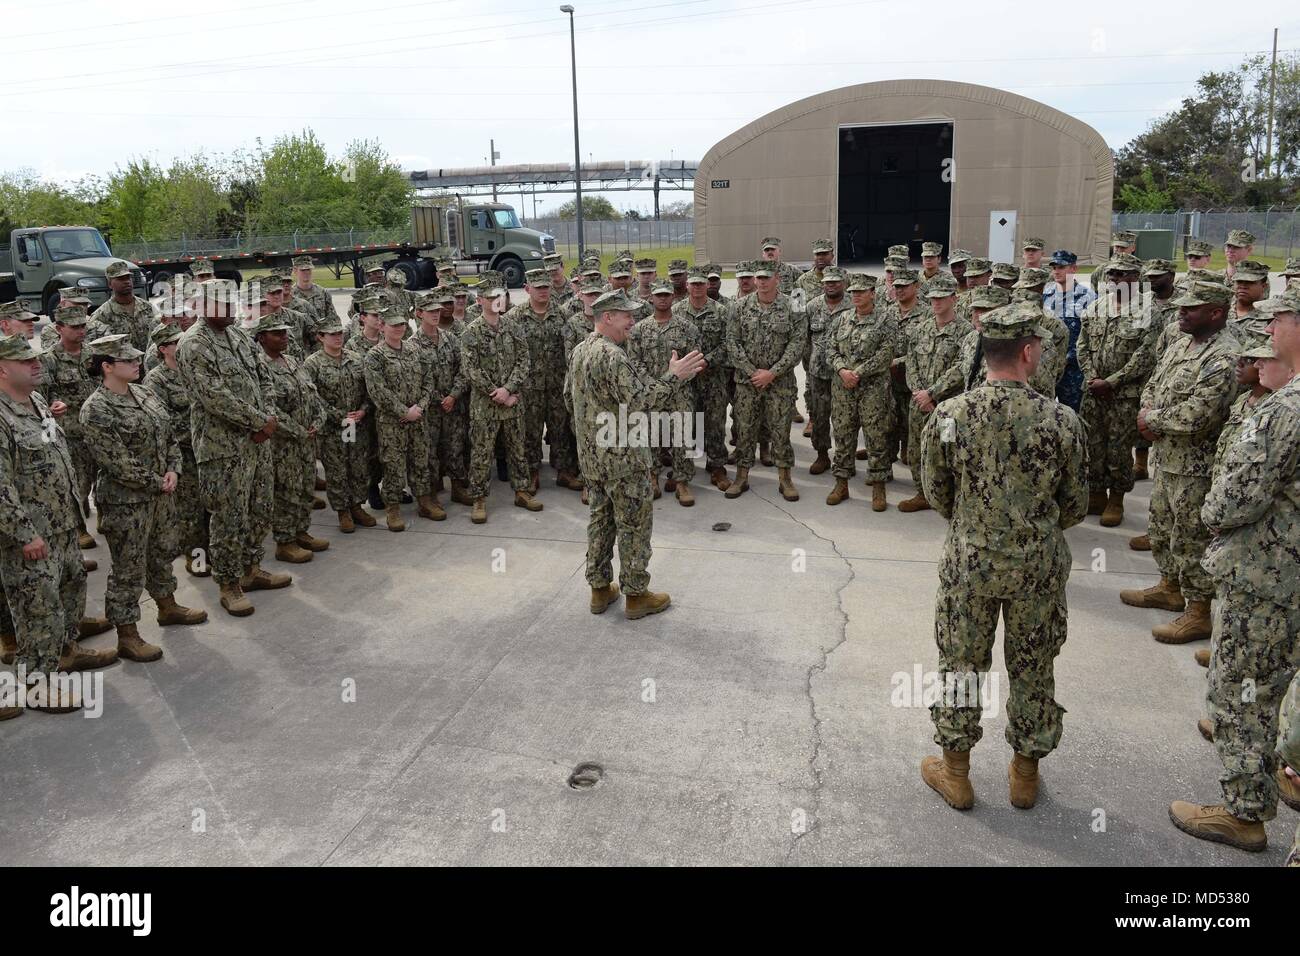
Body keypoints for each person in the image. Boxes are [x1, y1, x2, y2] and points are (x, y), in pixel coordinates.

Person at [917, 304, 1088, 811]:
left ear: (983, 352)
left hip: (970, 564)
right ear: (1029, 352)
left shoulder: (949, 416)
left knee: (960, 665)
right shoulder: (1062, 421)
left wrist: (975, 523)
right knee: (1033, 665)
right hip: (1036, 567)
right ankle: (1025, 776)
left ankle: (956, 773)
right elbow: (1076, 505)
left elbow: (936, 491)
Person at [1169, 291, 1300, 852]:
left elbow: (1236, 497)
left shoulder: (1285, 409)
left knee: (1241, 689)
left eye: (1279, 319)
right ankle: (1276, 765)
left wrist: (1210, 516)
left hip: (1269, 576)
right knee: (1277, 685)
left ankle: (1244, 812)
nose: (1269, 328)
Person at [566, 289, 705, 619]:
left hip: (593, 456)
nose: (633, 320)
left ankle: (600, 590)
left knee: (600, 521)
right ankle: (636, 595)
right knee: (633, 526)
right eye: (626, 315)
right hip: (623, 458)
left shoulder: (580, 351)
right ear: (608, 317)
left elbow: (569, 401)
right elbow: (642, 402)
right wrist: (675, 376)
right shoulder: (613, 357)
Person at [1120, 280, 1241, 644]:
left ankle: (1199, 611)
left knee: (1191, 537)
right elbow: (1155, 383)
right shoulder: (1182, 343)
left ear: (1216, 312)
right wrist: (1148, 412)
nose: (1182, 312)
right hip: (1168, 460)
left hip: (1197, 467)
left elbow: (1199, 414)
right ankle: (1170, 587)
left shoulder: (1224, 356)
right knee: (1163, 528)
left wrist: (1152, 421)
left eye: (1192, 308)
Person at [80, 333, 208, 663]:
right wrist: (157, 481)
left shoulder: (143, 392)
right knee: (128, 568)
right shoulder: (96, 409)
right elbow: (116, 461)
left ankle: (167, 606)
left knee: (162, 552)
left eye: (138, 359)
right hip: (126, 502)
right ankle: (128, 634)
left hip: (160, 493)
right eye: (129, 360)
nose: (138, 363)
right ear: (107, 367)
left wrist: (173, 469)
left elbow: (168, 435)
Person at [0, 333, 104, 713]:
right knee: (38, 610)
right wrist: (25, 534)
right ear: (2, 368)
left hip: (61, 523)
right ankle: (35, 685)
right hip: (30, 534)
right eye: (24, 361)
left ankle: (64, 655)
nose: (35, 364)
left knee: (70, 589)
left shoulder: (36, 400)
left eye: (35, 359)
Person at [176, 280, 291, 617]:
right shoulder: (193, 345)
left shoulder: (239, 335)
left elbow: (264, 375)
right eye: (220, 304)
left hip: (258, 442)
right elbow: (214, 398)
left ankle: (252, 568)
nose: (228, 310)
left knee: (260, 508)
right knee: (229, 517)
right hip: (222, 448)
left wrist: (267, 416)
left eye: (230, 303)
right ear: (202, 305)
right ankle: (229, 583)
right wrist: (260, 422)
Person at [1076, 255, 1161, 527]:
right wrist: (1092, 377)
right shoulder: (1096, 307)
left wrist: (1112, 382)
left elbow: (1145, 355)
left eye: (1122, 275)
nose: (1114, 279)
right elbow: (1083, 344)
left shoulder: (1147, 311)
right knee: (1093, 445)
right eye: (1112, 274)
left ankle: (1116, 499)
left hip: (1124, 395)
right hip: (1093, 391)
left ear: (1136, 278)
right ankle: (1097, 494)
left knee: (1118, 448)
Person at [458, 275, 538, 523]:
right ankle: (479, 498)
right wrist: (498, 393)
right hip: (486, 406)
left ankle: (522, 491)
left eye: (498, 297)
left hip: (512, 402)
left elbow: (524, 360)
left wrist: (510, 389)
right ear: (480, 300)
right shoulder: (471, 332)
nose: (496, 301)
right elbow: (471, 370)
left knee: (518, 449)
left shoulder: (513, 327)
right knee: (481, 453)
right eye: (490, 297)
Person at [725, 259, 806, 501]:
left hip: (779, 383)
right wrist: (752, 372)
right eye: (758, 278)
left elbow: (798, 342)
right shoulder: (739, 307)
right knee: (745, 429)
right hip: (747, 383)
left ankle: (785, 479)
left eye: (765, 278)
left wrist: (772, 372)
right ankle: (741, 476)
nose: (760, 282)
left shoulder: (794, 304)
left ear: (777, 279)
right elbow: (732, 342)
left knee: (781, 431)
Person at [253, 313, 329, 559]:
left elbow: (312, 394)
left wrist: (318, 420)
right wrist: (298, 431)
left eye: (285, 332)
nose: (284, 337)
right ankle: (285, 542)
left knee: (306, 486)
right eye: (277, 333)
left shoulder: (293, 361)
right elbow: (269, 409)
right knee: (286, 491)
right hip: (282, 444)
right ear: (262, 338)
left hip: (306, 440)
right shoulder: (258, 367)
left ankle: (301, 531)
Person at [362, 302, 439, 532]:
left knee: (420, 461)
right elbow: (378, 391)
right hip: (391, 422)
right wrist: (403, 412)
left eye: (402, 324)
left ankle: (424, 501)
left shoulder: (415, 350)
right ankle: (392, 508)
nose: (399, 328)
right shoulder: (374, 356)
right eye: (393, 325)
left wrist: (420, 408)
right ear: (382, 326)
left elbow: (428, 381)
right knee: (393, 465)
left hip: (418, 417)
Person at [825, 274, 899, 510]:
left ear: (872, 294)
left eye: (861, 291)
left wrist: (857, 373)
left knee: (876, 437)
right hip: (843, 388)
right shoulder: (842, 318)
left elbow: (887, 353)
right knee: (843, 435)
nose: (856, 295)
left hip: (873, 390)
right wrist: (842, 370)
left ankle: (878, 487)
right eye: (853, 291)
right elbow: (830, 348)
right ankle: (841, 483)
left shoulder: (886, 319)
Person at [899, 274, 971, 512]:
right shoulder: (921, 329)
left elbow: (961, 367)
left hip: (947, 406)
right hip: (920, 404)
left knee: (948, 448)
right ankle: (922, 493)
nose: (936, 302)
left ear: (953, 298)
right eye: (932, 298)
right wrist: (921, 394)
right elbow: (911, 364)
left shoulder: (966, 332)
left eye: (941, 298)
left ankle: (949, 496)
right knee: (917, 448)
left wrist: (933, 393)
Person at [143, 324, 210, 571]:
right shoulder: (156, 379)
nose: (182, 345)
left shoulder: (193, 369)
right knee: (190, 507)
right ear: (163, 349)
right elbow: (161, 421)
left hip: (207, 447)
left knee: (209, 502)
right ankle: (196, 556)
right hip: (184, 451)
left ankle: (210, 548)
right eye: (175, 342)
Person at [506, 269, 580, 495]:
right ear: (527, 288)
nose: (543, 292)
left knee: (560, 429)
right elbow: (510, 355)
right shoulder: (514, 318)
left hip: (557, 383)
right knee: (530, 430)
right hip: (528, 386)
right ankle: (532, 472)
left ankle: (564, 471)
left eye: (546, 287)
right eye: (538, 288)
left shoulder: (562, 314)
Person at [628, 279, 701, 505]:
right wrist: (653, 382)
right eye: (658, 295)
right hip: (650, 391)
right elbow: (634, 360)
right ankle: (651, 477)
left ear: (673, 297)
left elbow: (694, 360)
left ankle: (682, 482)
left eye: (666, 295)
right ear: (651, 298)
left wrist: (678, 380)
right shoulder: (639, 329)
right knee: (649, 437)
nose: (662, 298)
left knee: (683, 436)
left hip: (680, 392)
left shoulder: (687, 328)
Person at [303, 316, 375, 532]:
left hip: (355, 425)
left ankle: (357, 506)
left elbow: (367, 390)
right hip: (333, 428)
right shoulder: (313, 364)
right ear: (320, 337)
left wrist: (362, 411)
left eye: (339, 333)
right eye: (332, 334)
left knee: (358, 466)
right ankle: (343, 511)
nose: (337, 338)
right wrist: (339, 416)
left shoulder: (355, 359)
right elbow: (312, 398)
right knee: (337, 470)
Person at [38, 305, 98, 547]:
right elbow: (40, 399)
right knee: (76, 484)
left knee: (102, 477)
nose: (81, 331)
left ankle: (103, 512)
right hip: (70, 433)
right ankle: (80, 529)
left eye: (83, 326)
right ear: (59, 328)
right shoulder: (48, 360)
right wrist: (51, 409)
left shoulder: (94, 354)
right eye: (74, 327)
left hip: (97, 428)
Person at [412, 291, 469, 518]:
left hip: (452, 405)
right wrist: (438, 398)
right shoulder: (413, 345)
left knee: (455, 447)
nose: (436, 315)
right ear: (419, 314)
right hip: (430, 409)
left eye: (438, 311)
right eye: (431, 311)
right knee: (429, 453)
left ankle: (457, 488)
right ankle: (429, 496)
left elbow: (463, 369)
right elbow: (415, 380)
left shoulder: (450, 339)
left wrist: (454, 395)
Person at [675, 266, 731, 491]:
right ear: (687, 285)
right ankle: (685, 468)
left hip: (713, 378)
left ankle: (717, 465)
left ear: (708, 285)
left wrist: (707, 361)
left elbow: (729, 343)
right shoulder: (677, 311)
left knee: (715, 422)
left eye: (701, 283)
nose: (697, 287)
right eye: (694, 283)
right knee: (687, 422)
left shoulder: (722, 311)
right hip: (685, 380)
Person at [803, 266, 852, 476]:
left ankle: (844, 460)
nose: (831, 285)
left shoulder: (853, 305)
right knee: (820, 417)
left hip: (843, 375)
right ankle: (821, 455)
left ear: (843, 283)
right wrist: (808, 365)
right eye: (827, 281)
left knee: (844, 420)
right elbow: (804, 338)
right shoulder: (812, 306)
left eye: (835, 281)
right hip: (818, 373)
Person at [1042, 250, 1096, 412]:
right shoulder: (1046, 294)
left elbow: (1092, 333)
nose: (1056, 271)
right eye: (1054, 267)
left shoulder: (1088, 297)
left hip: (1073, 369)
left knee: (1074, 412)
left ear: (1073, 269)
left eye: (1061, 267)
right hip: (1047, 366)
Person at [87, 260, 155, 353]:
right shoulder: (102, 315)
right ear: (110, 284)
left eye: (128, 278)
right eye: (120, 279)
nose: (126, 282)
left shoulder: (148, 307)